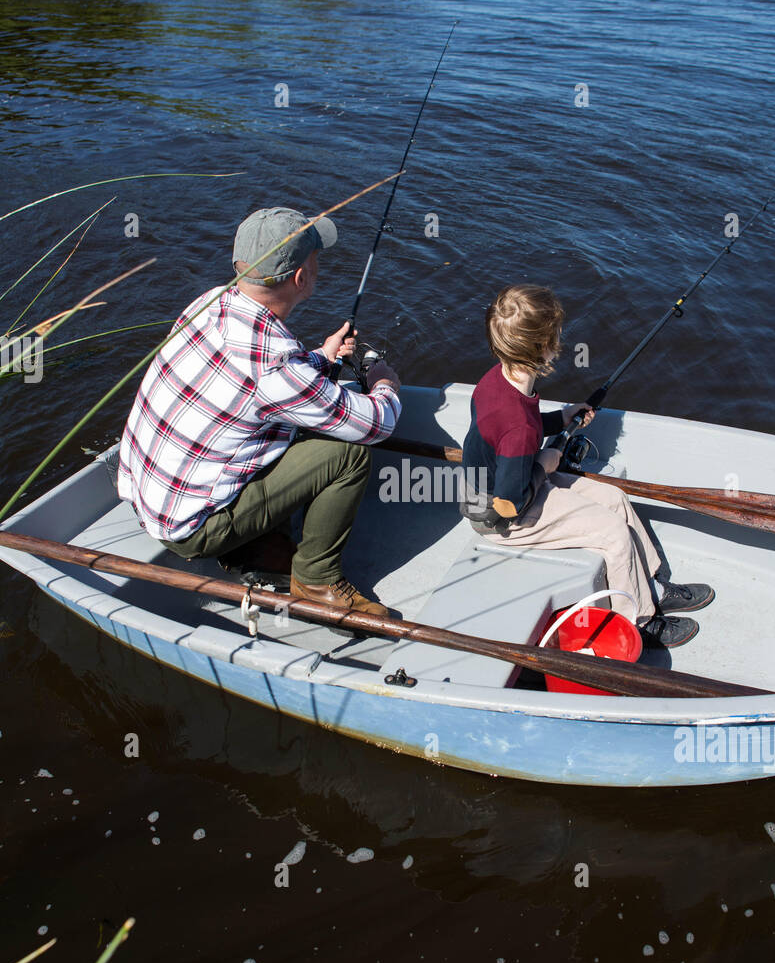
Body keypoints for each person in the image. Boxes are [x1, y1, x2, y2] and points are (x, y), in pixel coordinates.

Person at [117, 206, 401, 617]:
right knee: (348, 453)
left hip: (146, 500)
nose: (318, 265)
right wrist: (384, 382)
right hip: (190, 530)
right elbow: (377, 425)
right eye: (314, 258)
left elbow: (255, 383)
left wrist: (322, 356)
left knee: (294, 424)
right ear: (301, 277)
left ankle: (257, 545)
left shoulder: (210, 301)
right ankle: (316, 582)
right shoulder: (273, 365)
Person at [459, 284, 714, 650]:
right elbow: (507, 503)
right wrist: (545, 466)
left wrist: (560, 419)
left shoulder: (498, 380)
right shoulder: (516, 422)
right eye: (556, 334)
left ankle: (655, 585)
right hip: (502, 516)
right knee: (613, 532)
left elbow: (518, 429)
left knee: (615, 499)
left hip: (516, 480)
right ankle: (639, 622)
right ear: (544, 346)